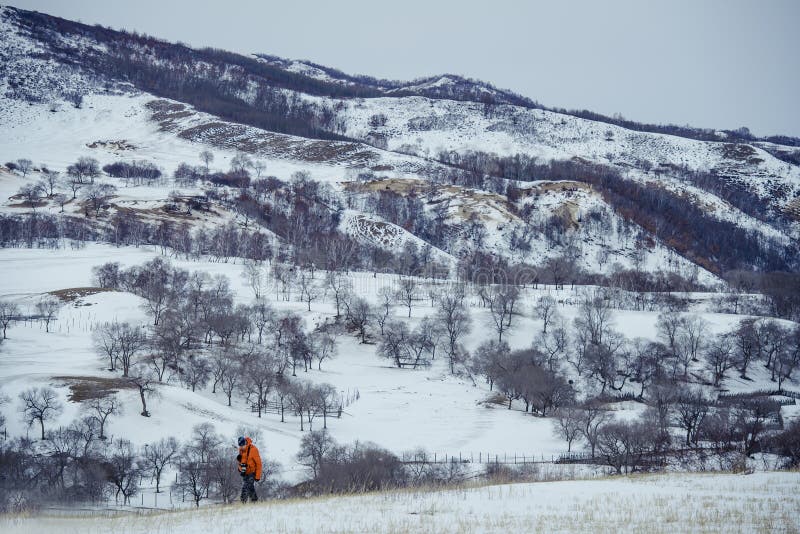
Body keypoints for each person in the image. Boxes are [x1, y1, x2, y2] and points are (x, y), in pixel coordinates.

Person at [237, 436, 262, 503]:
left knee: (245, 487)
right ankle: (255, 501)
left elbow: (259, 464)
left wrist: (257, 476)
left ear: (245, 443)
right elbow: (241, 463)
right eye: (240, 446)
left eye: (242, 445)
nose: (241, 447)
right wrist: (240, 469)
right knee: (250, 488)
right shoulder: (240, 450)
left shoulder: (253, 450)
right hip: (245, 472)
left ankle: (243, 502)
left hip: (252, 472)